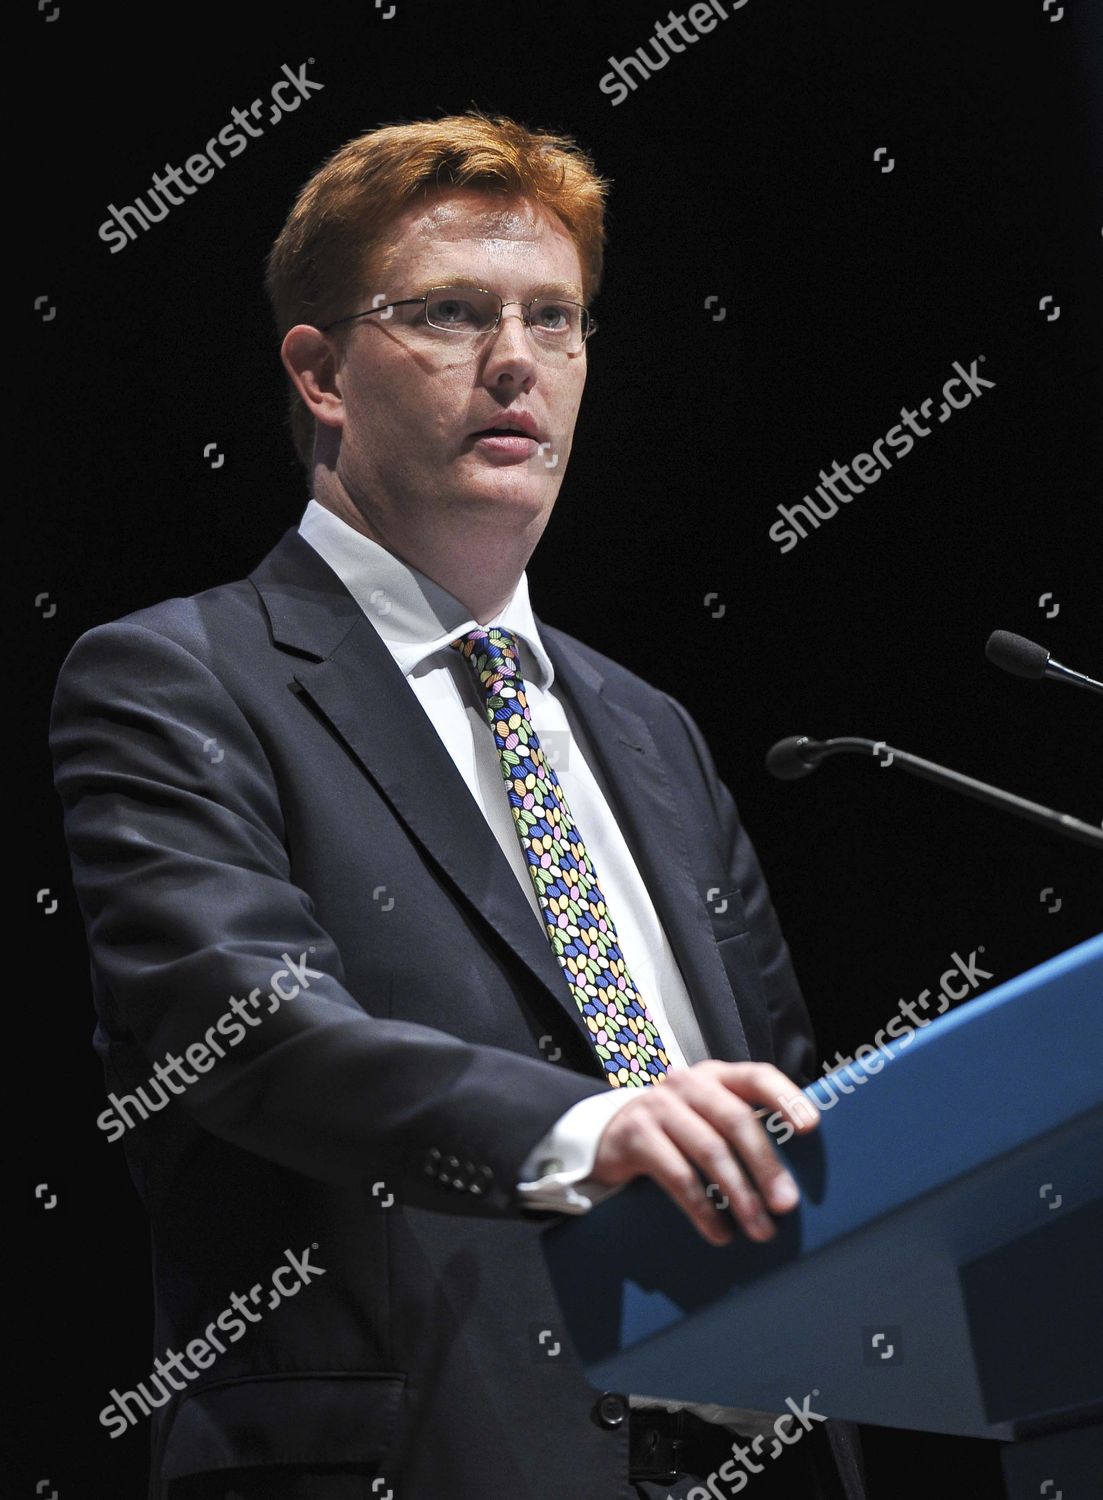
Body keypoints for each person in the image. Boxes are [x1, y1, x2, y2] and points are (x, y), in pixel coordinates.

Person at [50, 108, 866, 1499]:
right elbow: (238, 1025)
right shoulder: (176, 676)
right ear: (319, 372)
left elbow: (784, 1101)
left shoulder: (648, 731)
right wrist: (585, 1131)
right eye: (450, 314)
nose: (516, 363)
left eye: (557, 320)